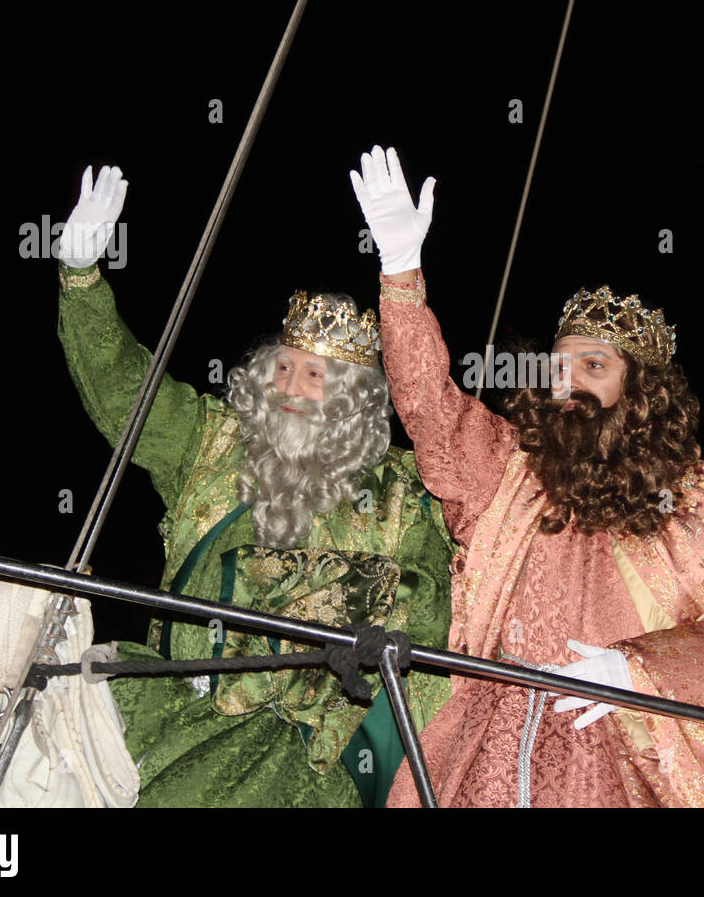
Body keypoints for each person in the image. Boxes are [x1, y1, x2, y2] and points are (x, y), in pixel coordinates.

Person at [349, 145, 704, 807]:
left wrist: (641, 670)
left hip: (628, 754)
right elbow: (429, 406)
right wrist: (402, 275)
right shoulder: (507, 466)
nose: (567, 383)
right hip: (488, 748)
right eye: (557, 366)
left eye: (595, 367)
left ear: (641, 392)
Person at [56, 165, 455, 807]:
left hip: (304, 757)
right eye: (284, 368)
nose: (291, 388)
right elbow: (125, 393)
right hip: (175, 702)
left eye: (316, 376)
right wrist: (82, 281)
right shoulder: (211, 441)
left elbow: (431, 610)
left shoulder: (404, 496)